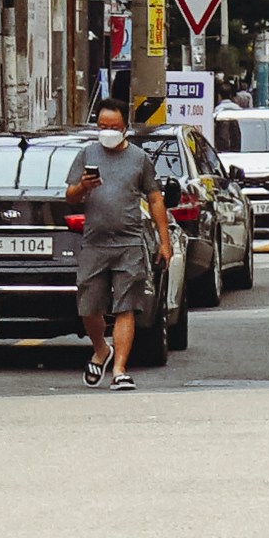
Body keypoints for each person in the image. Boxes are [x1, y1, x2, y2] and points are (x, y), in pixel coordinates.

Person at [67, 90, 170, 392]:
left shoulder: (139, 159)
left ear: (125, 128)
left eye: (113, 127)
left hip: (128, 243)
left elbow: (155, 199)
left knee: (126, 307)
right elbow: (69, 196)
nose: (107, 132)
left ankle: (120, 369)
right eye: (102, 126)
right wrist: (82, 187)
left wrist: (164, 242)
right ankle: (101, 349)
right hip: (94, 242)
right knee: (89, 306)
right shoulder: (87, 154)